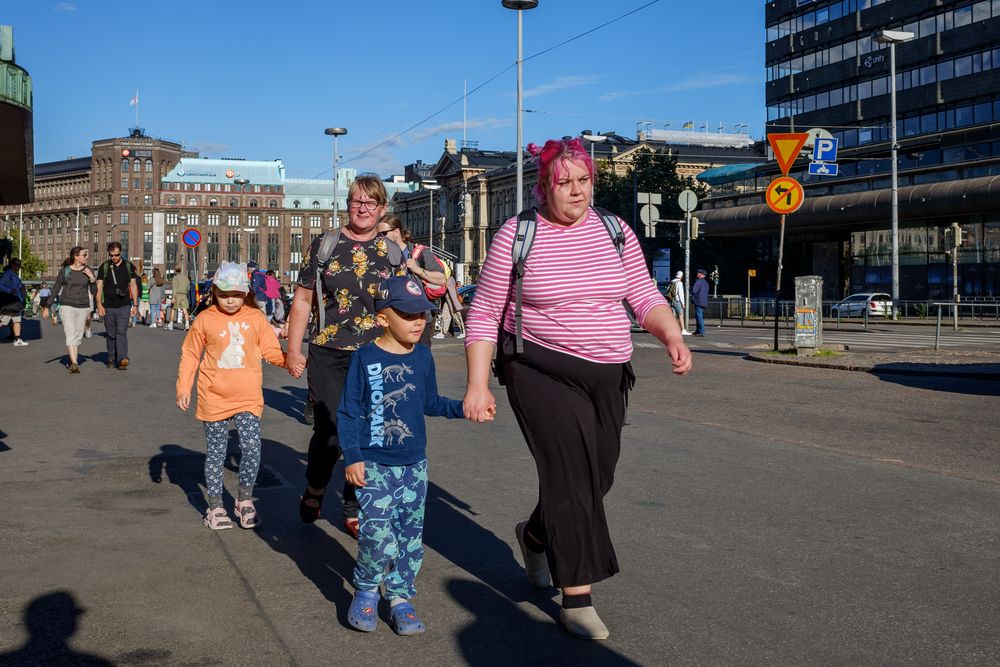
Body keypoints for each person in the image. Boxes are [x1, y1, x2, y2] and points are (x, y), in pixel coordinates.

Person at [462, 137, 692, 640]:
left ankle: (537, 535)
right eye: (564, 182)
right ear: (544, 186)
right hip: (537, 367)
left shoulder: (615, 230)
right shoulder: (516, 233)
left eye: (584, 180)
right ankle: (578, 596)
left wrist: (670, 331)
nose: (576, 191)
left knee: (596, 477)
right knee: (570, 475)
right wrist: (478, 384)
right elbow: (482, 312)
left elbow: (642, 293)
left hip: (609, 371)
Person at [338, 276, 472, 635]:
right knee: (376, 536)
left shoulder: (423, 357)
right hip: (374, 464)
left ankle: (399, 598)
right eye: (409, 314)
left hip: (414, 465)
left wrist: (464, 408)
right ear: (383, 318)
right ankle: (366, 590)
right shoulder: (366, 358)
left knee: (409, 537)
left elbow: (430, 402)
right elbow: (349, 411)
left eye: (423, 315)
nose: (419, 322)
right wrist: (352, 456)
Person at [284, 174, 404, 539]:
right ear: (348, 204)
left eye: (371, 203)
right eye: (357, 201)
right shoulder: (325, 246)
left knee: (369, 431)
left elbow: (400, 307)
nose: (363, 208)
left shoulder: (391, 253)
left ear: (382, 209)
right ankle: (317, 486)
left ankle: (353, 506)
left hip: (376, 353)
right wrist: (293, 349)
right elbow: (303, 300)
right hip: (329, 350)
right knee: (332, 428)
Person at [176, 261, 287, 530]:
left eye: (236, 295)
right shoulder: (205, 319)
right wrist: (183, 387)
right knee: (216, 453)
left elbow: (270, 350)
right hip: (214, 396)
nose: (230, 301)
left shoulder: (255, 318)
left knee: (251, 447)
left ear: (246, 293)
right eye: (224, 295)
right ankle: (215, 506)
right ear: (214, 292)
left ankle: (244, 500)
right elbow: (191, 354)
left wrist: (290, 361)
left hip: (248, 397)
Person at [376, 212, 447, 347]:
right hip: (391, 318)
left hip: (418, 317)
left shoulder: (418, 253)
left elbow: (441, 279)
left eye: (383, 233)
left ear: (396, 232)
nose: (380, 238)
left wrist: (417, 269)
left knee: (420, 359)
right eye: (377, 234)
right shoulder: (379, 254)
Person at [45, 247, 96, 373]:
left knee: (78, 336)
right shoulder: (65, 271)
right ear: (76, 257)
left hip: (83, 307)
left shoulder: (89, 270)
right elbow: (56, 288)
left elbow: (94, 291)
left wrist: (92, 278)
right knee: (70, 333)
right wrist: (47, 306)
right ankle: (74, 363)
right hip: (67, 305)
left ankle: (72, 358)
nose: (86, 257)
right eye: (84, 255)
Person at [96, 242, 138, 370]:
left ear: (121, 253)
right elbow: (98, 287)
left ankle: (122, 359)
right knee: (111, 334)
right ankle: (111, 357)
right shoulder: (104, 267)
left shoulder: (128, 266)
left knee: (121, 332)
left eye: (117, 255)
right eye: (112, 255)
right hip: (108, 306)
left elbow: (133, 285)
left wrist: (135, 305)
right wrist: (99, 305)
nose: (114, 257)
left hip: (124, 305)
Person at [0, 258, 29, 346]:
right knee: (2, 323)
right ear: (13, 264)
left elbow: (18, 289)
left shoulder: (15, 275)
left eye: (20, 265)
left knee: (17, 321)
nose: (19, 267)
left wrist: (21, 298)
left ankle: (17, 339)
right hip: (10, 302)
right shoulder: (7, 274)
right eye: (18, 265)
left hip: (16, 303)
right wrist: (9, 290)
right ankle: (17, 339)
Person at [668, 271, 692, 336]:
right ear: (681, 276)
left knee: (673, 316)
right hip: (677, 301)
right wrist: (683, 303)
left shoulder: (672, 282)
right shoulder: (679, 283)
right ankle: (683, 330)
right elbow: (681, 294)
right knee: (681, 316)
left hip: (671, 301)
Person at [169, 266, 190, 331]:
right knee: (185, 311)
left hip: (177, 295)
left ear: (175, 271)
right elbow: (188, 287)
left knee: (173, 309)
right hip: (184, 295)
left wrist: (173, 297)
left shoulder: (175, 278)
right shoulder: (185, 278)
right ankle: (187, 324)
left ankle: (171, 324)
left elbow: (174, 288)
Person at [691, 268, 709, 336]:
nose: (697, 274)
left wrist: (689, 288)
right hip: (703, 301)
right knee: (699, 316)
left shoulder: (698, 281)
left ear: (702, 275)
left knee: (699, 317)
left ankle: (701, 331)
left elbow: (694, 291)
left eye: (699, 273)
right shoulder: (706, 283)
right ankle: (698, 330)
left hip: (698, 301)